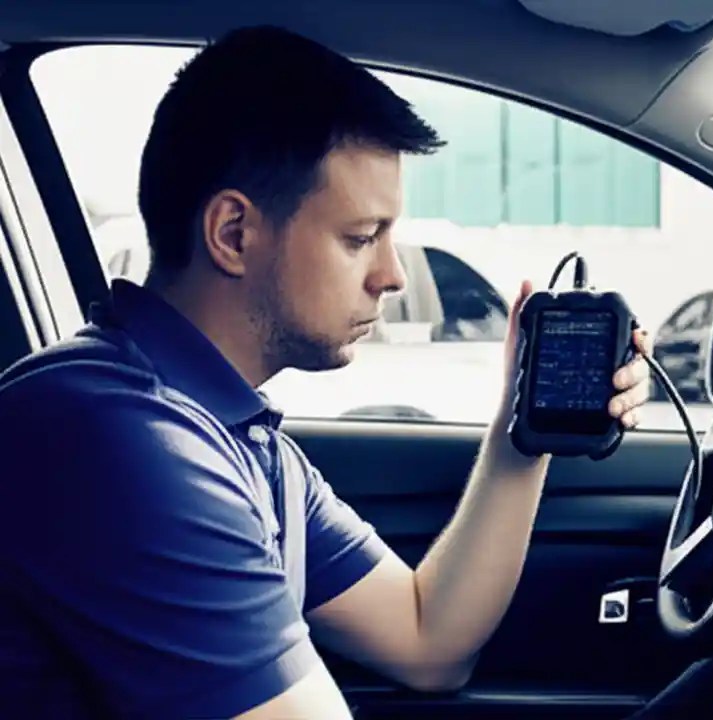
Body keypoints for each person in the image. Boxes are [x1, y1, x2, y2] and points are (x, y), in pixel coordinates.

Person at [0, 25, 654, 720]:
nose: (393, 274)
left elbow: (427, 639)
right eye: (361, 237)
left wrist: (524, 429)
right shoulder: (120, 440)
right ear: (233, 235)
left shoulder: (236, 436)